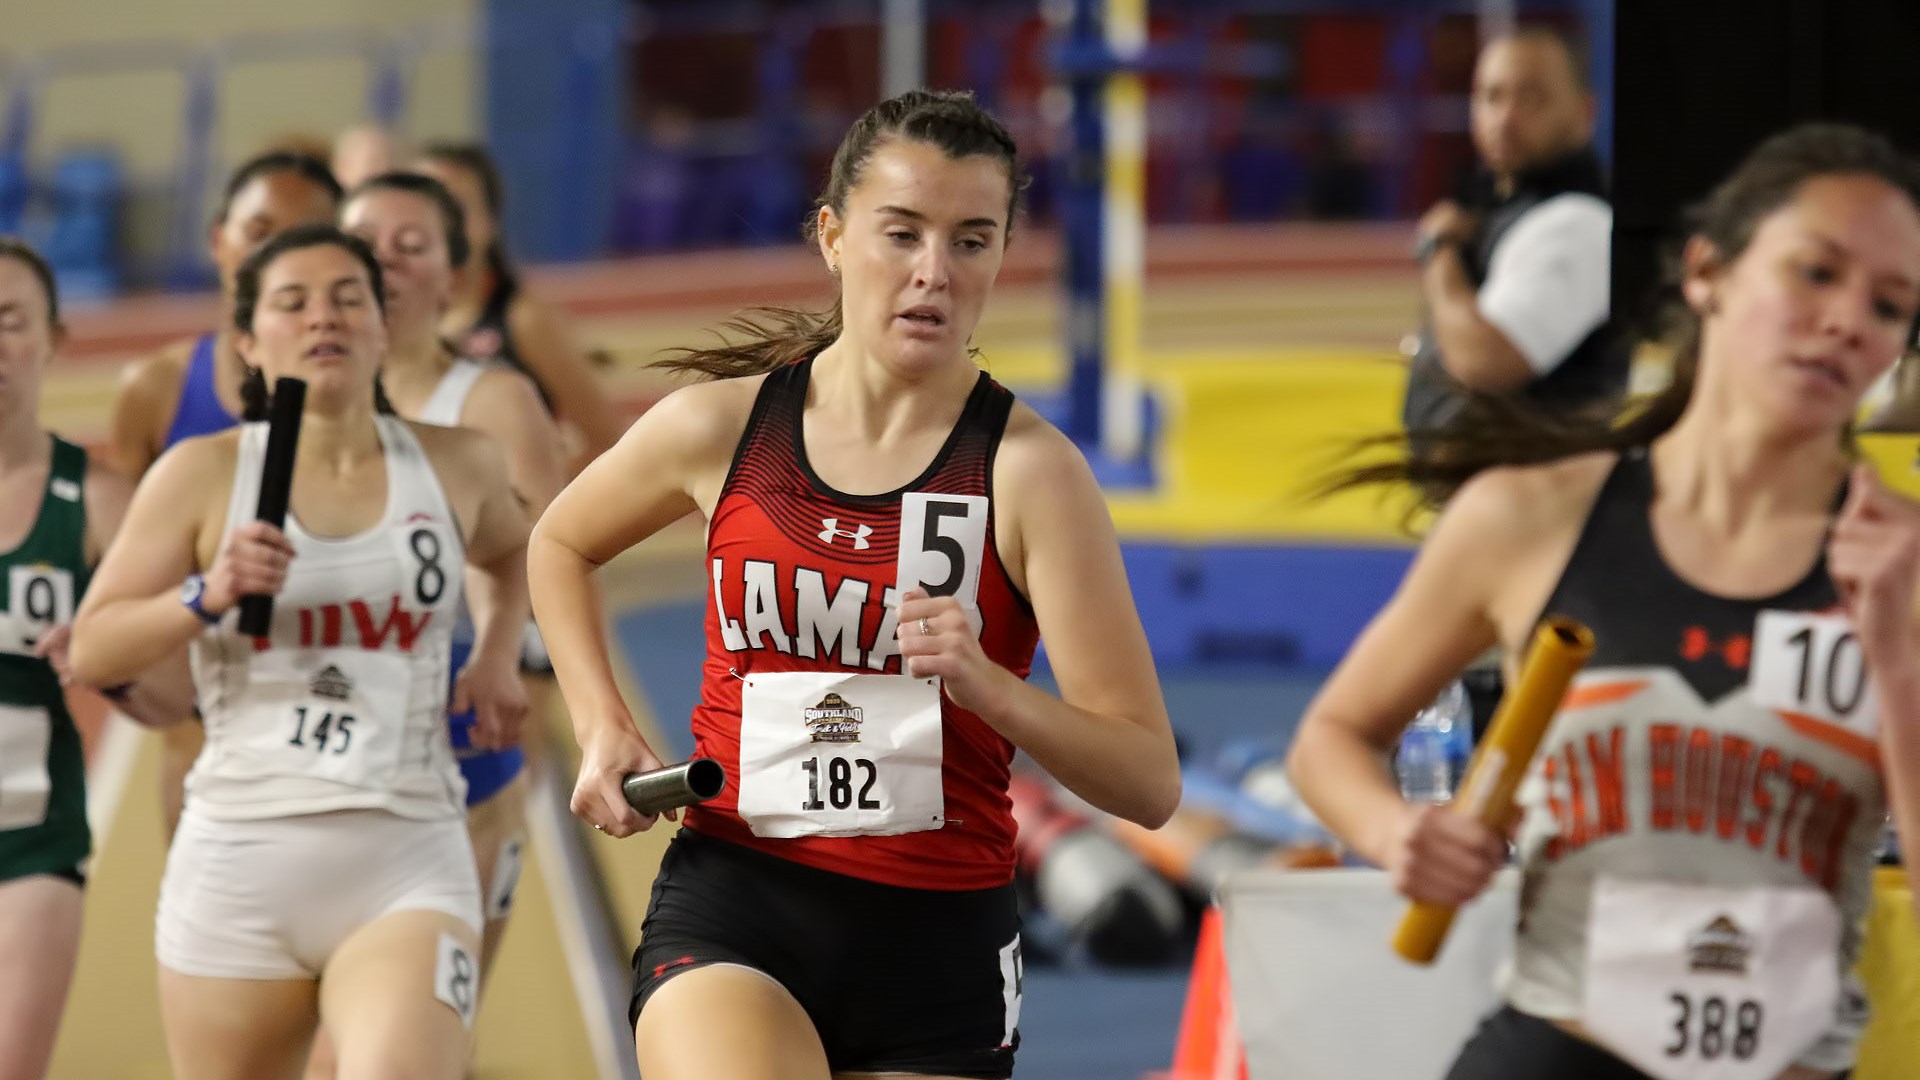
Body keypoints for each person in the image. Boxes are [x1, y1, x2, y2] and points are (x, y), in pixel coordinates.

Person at [528, 89, 1180, 1079]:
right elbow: (560, 541)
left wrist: (991, 688)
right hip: (739, 896)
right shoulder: (720, 430)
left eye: (971, 240)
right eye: (901, 233)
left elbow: (1148, 781)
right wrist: (601, 720)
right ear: (832, 237)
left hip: (938, 942)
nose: (933, 274)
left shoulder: (1029, 474)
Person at [1290, 124, 1920, 1080]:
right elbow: (1330, 736)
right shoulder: (1529, 518)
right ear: (1707, 272)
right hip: (1556, 1053)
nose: (1847, 321)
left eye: (1888, 306)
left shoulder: (1902, 564)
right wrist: (1396, 831)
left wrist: (1899, 656)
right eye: (1814, 273)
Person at [69, 225, 531, 1080]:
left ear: (384, 326)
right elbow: (93, 649)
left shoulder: (458, 464)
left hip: (409, 854)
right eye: (293, 302)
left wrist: (497, 651)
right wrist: (203, 594)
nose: (325, 317)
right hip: (243, 861)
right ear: (247, 340)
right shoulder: (201, 474)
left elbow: (517, 548)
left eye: (349, 298)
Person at [337, 169, 565, 1043]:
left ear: (453, 272)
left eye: (412, 245)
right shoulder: (302, 409)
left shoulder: (492, 398)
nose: (387, 265)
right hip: (328, 767)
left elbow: (542, 555)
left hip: (460, 756)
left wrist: (499, 657)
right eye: (368, 245)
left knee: (422, 1031)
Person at [105, 149, 344, 841]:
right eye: (259, 230)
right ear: (218, 240)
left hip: (344, 699)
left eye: (304, 235)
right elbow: (122, 572)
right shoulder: (155, 389)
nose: (277, 253)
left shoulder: (381, 397)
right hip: (206, 723)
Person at [0, 238, 178, 1080]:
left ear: (53, 340)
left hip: (29, 845)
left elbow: (178, 699)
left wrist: (108, 657)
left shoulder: (101, 502)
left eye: (9, 321)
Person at [1403, 25, 1624, 448]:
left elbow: (1485, 361)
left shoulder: (1579, 222)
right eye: (1491, 96)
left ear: (1584, 113)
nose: (1505, 117)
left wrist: (1440, 251)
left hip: (1542, 503)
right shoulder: (1508, 209)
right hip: (1495, 499)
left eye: (1532, 98)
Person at [413, 143, 626, 465]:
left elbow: (609, 441)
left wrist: (540, 494)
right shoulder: (397, 326)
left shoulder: (524, 319)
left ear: (490, 222)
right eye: (427, 208)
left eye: (457, 208)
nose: (444, 225)